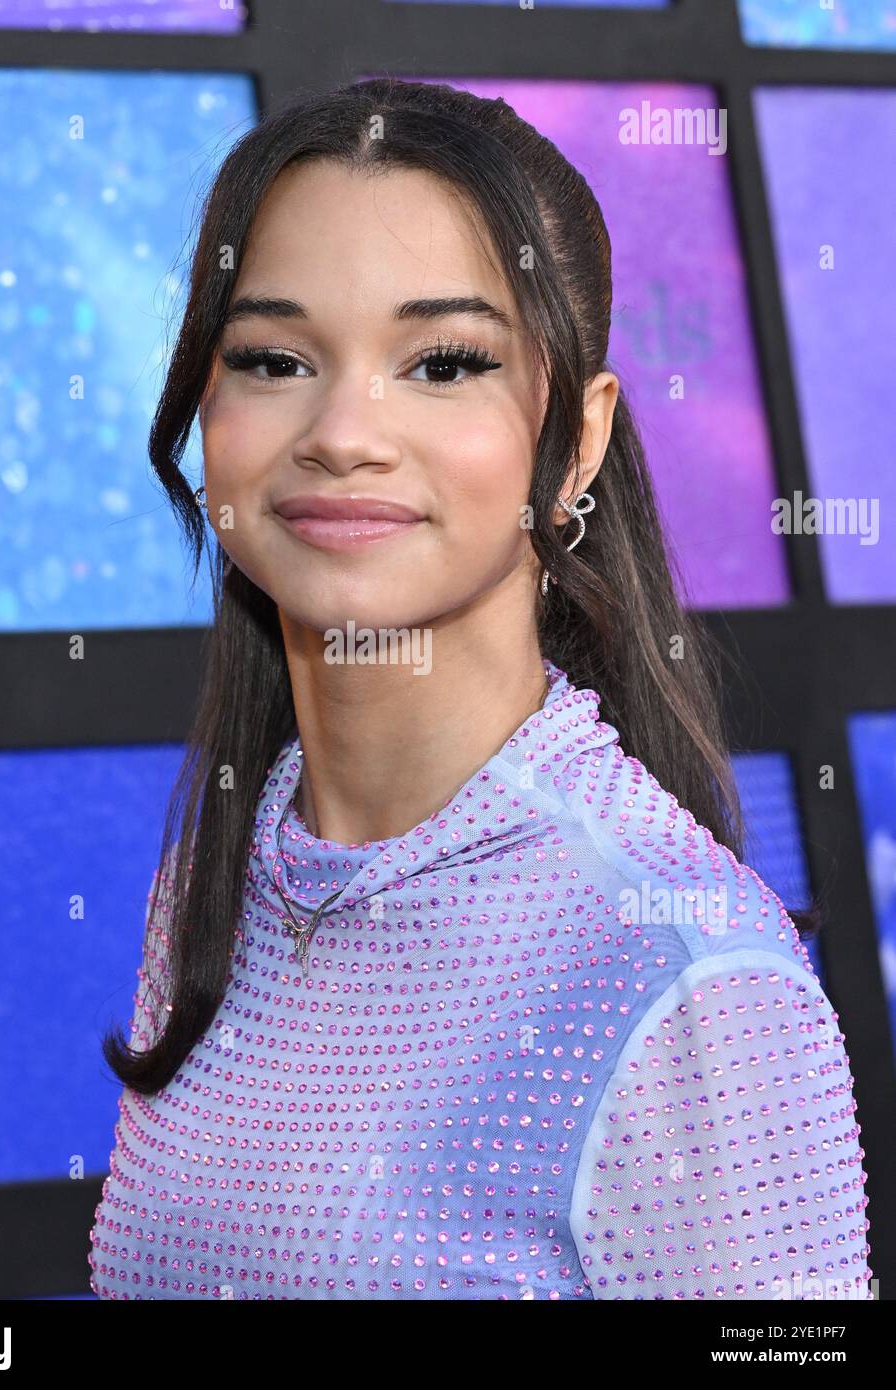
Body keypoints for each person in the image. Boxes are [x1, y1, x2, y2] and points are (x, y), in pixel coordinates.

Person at [87, 77, 872, 1300]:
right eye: (276, 356)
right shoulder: (218, 882)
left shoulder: (685, 971)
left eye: (443, 361)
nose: (344, 429)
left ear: (580, 442)